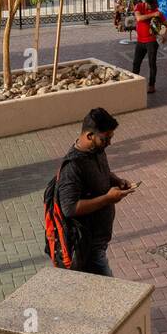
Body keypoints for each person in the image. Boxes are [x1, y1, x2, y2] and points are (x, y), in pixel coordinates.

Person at [55, 108, 135, 277]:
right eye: (106, 139)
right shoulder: (73, 166)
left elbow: (103, 172)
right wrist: (107, 199)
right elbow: (70, 208)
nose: (109, 143)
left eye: (111, 138)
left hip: (99, 241)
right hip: (87, 247)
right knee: (110, 294)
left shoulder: (97, 150)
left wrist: (117, 181)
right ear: (90, 136)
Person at [132, 0, 161, 94]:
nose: (154, 6)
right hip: (140, 41)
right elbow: (139, 18)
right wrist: (153, 14)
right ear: (147, 3)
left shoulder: (156, 9)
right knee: (136, 63)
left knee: (152, 64)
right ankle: (134, 83)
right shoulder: (138, 6)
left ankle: (151, 85)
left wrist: (165, 36)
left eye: (155, 4)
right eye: (152, 4)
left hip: (151, 42)